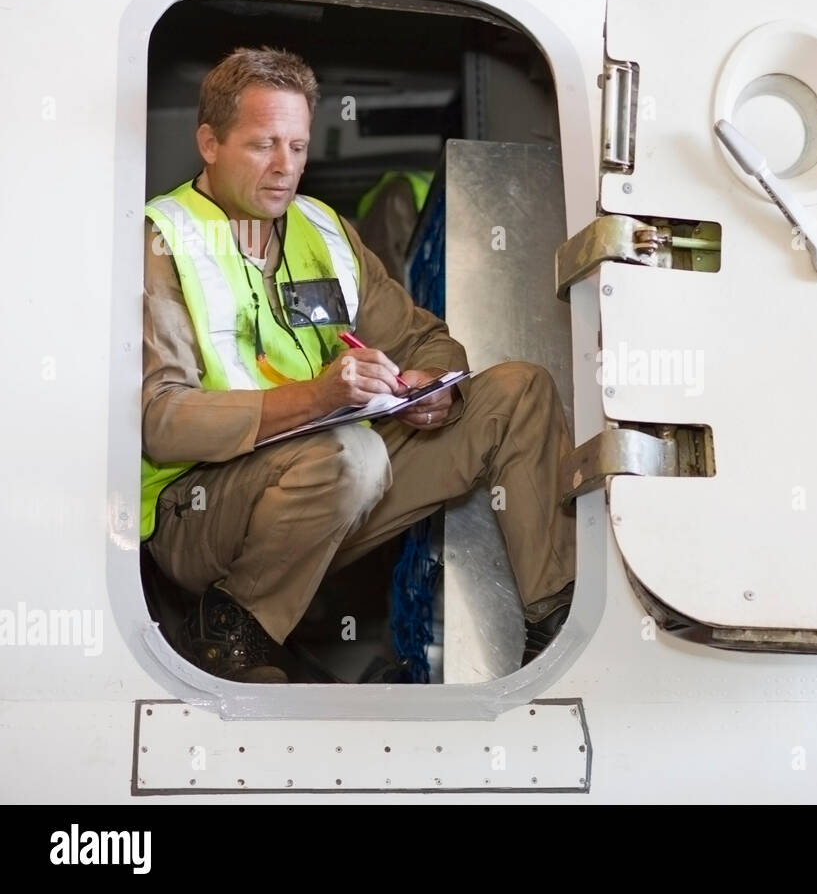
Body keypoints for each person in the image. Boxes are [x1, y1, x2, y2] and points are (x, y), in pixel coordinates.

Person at [141, 47, 575, 683]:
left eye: (298, 145)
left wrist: (434, 391)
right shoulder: (162, 241)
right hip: (201, 509)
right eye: (262, 145)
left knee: (517, 391)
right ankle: (233, 627)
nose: (284, 169)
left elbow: (427, 341)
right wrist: (319, 400)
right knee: (351, 453)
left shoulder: (324, 228)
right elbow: (161, 422)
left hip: (332, 488)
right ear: (209, 142)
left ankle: (556, 627)